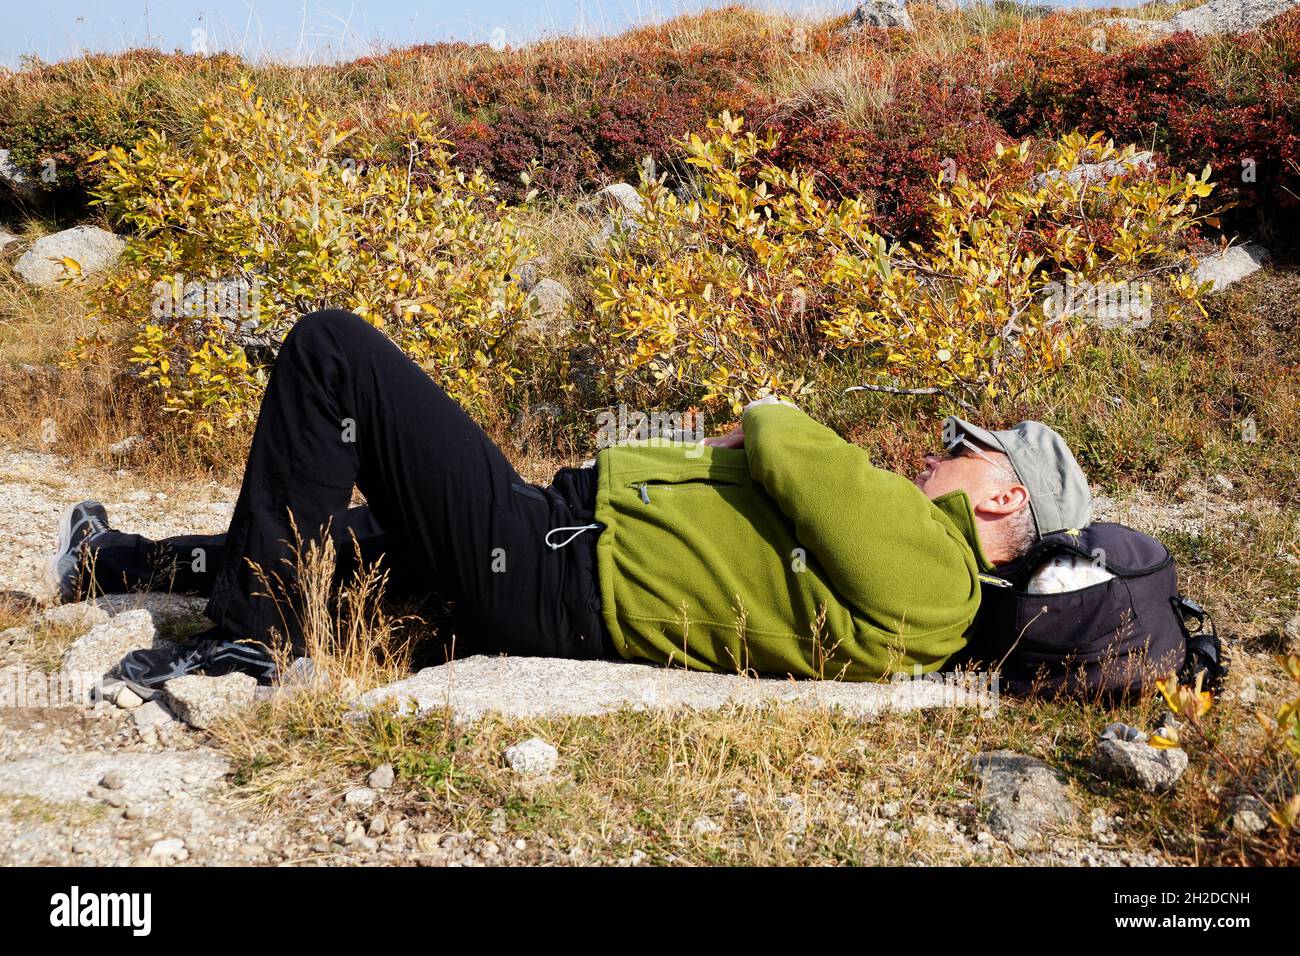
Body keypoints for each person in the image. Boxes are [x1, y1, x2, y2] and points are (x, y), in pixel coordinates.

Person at [48, 309, 1092, 696]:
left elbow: (779, 431)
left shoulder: (935, 568)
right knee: (355, 542)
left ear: (1003, 492)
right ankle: (117, 563)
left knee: (333, 354)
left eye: (963, 446)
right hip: (552, 555)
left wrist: (768, 421)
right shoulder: (928, 581)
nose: (940, 451)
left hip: (550, 566)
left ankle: (246, 646)